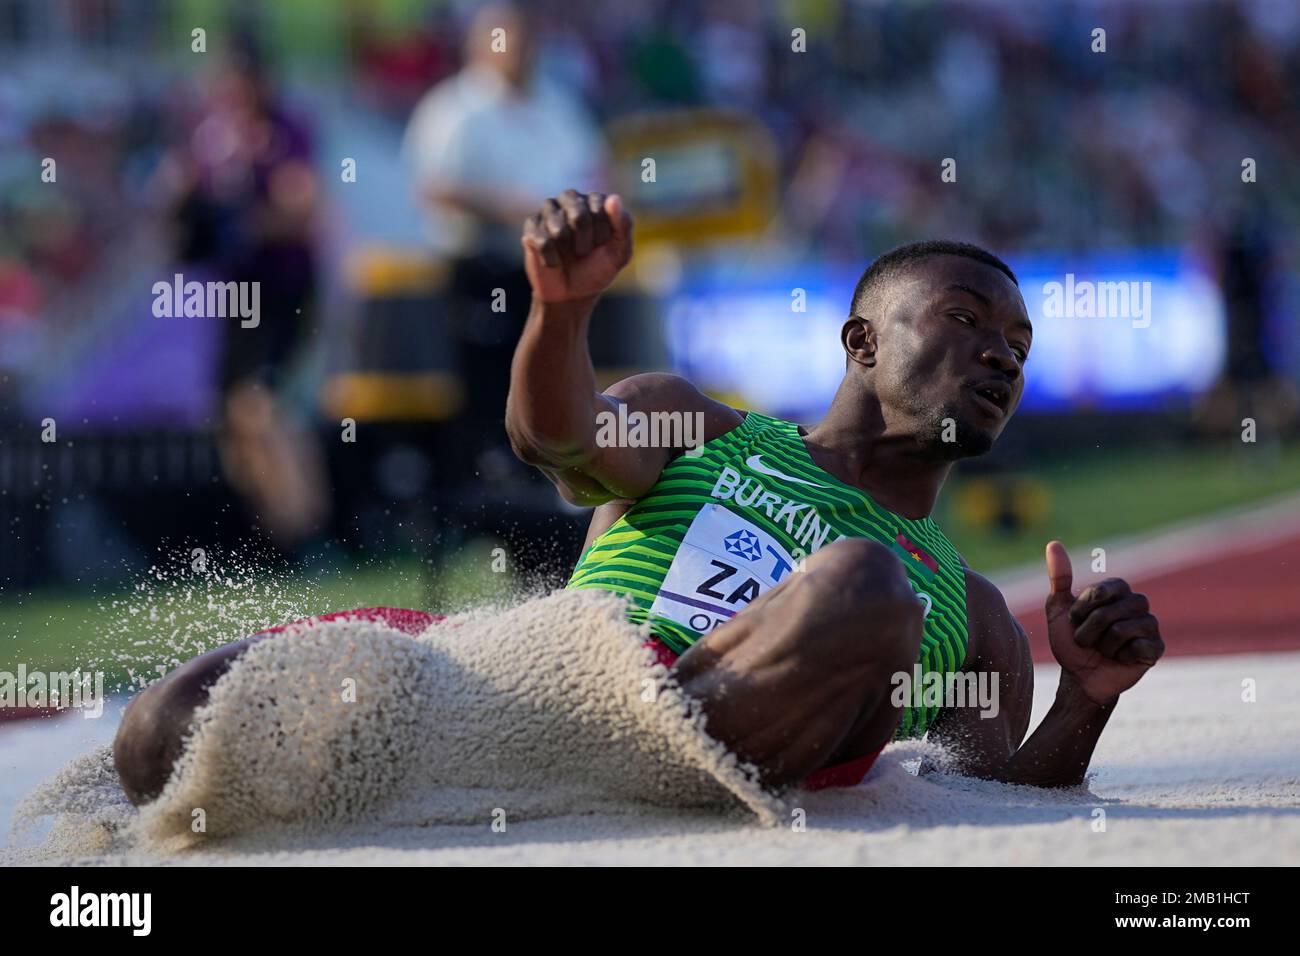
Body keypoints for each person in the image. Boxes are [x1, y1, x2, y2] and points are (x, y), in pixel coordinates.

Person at [112, 189, 1164, 804]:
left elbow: (989, 809)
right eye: (968, 319)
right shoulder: (693, 422)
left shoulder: (975, 616)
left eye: (1018, 345)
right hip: (544, 692)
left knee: (865, 586)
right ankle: (553, 758)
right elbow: (551, 436)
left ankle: (653, 754)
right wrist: (559, 313)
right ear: (861, 341)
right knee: (167, 729)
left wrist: (1084, 696)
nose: (999, 354)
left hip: (730, 744)